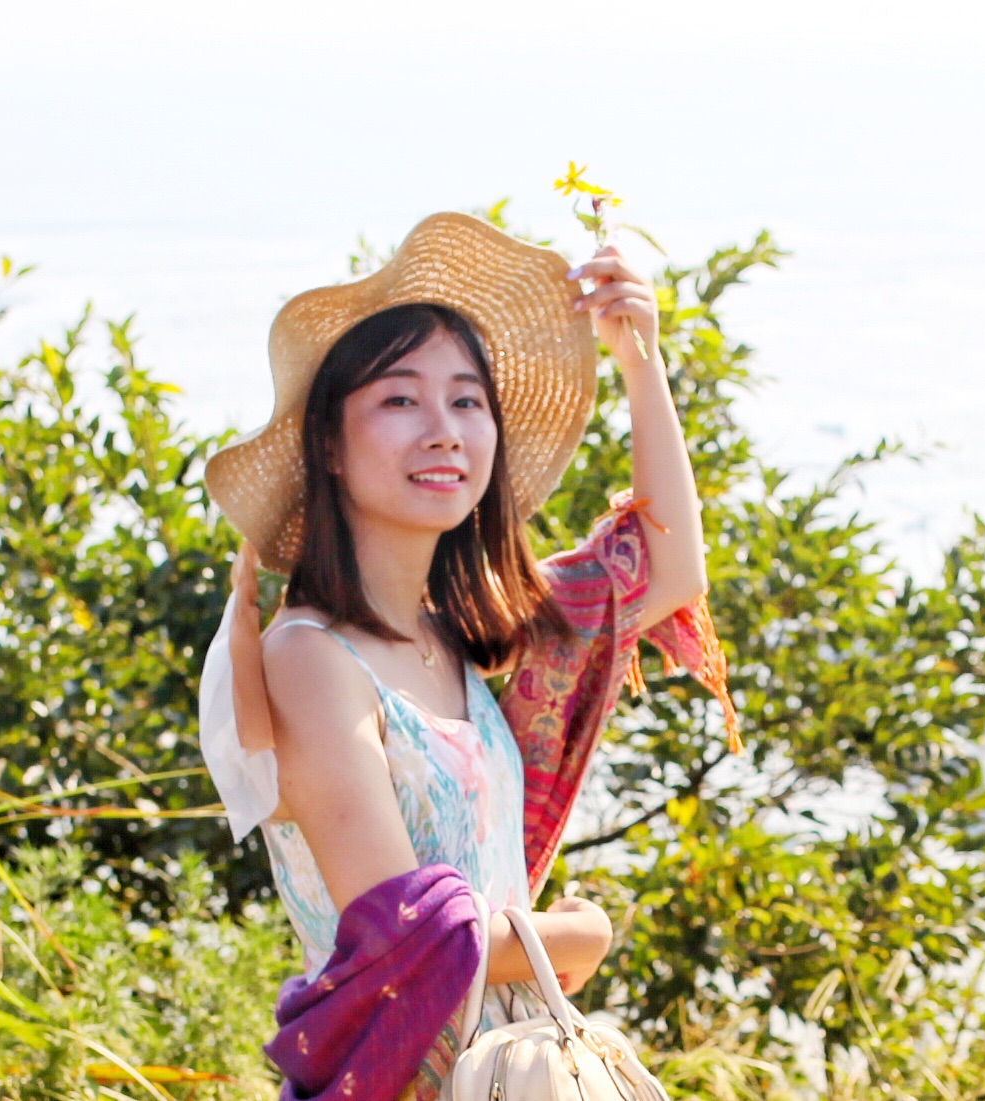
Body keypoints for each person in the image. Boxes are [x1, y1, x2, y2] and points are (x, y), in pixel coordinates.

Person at [198, 212, 737, 1100]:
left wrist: (639, 358)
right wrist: (582, 934)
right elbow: (405, 936)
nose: (443, 429)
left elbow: (668, 569)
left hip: (510, 1074)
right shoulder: (310, 658)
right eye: (399, 400)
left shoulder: (458, 634)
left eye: (466, 400)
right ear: (328, 444)